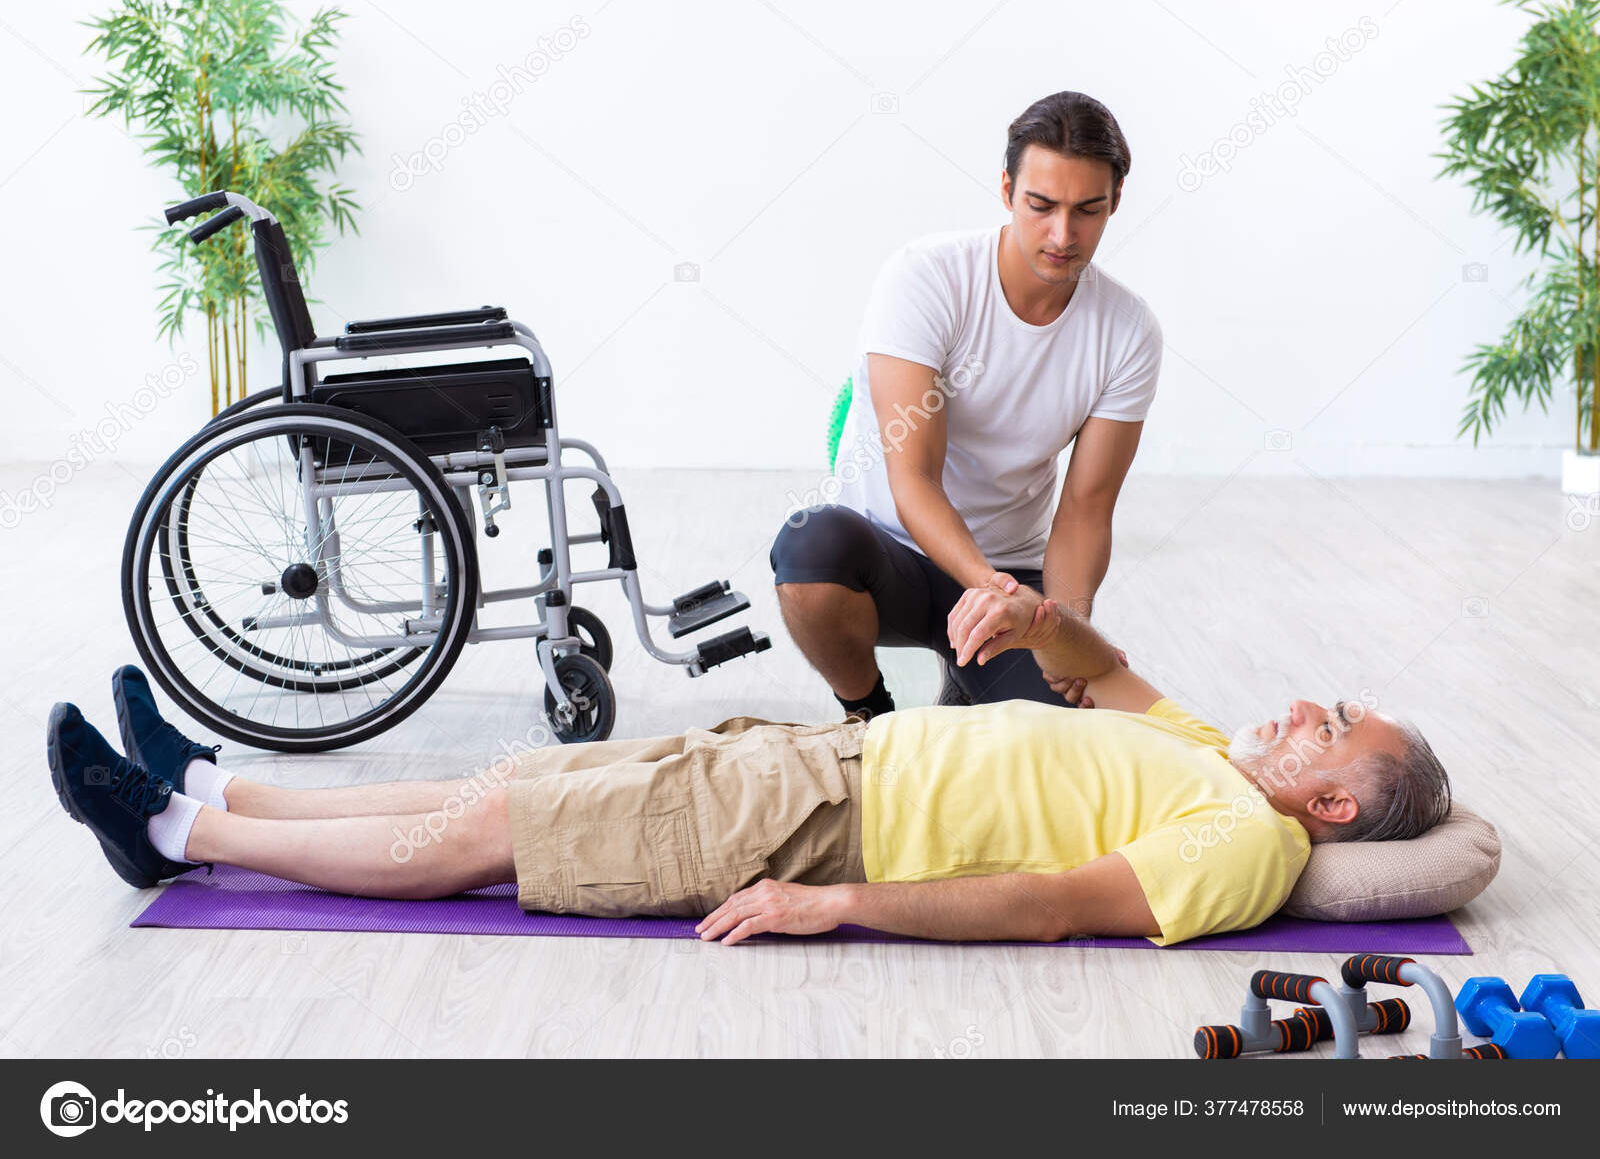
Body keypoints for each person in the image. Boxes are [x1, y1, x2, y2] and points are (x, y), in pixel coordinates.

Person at [49, 586, 1450, 947]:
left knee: (489, 841)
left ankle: (176, 839)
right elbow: (1100, 661)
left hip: (832, 825)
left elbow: (1058, 902)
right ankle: (226, 785)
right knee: (504, 788)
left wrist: (834, 905)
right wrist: (1034, 619)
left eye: (1329, 724)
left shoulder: (1255, 845)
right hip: (828, 755)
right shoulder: (1203, 748)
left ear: (1331, 804)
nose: (1296, 709)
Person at [770, 90, 1162, 720]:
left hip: (1012, 569)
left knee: (1064, 746)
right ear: (1008, 190)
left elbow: (1087, 509)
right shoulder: (926, 278)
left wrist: (1058, 627)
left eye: (1088, 210)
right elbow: (913, 476)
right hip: (887, 556)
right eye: (1041, 206)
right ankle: (868, 715)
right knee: (809, 545)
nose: (1063, 235)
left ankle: (969, 676)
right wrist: (993, 594)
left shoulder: (1128, 330)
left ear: (1116, 200)